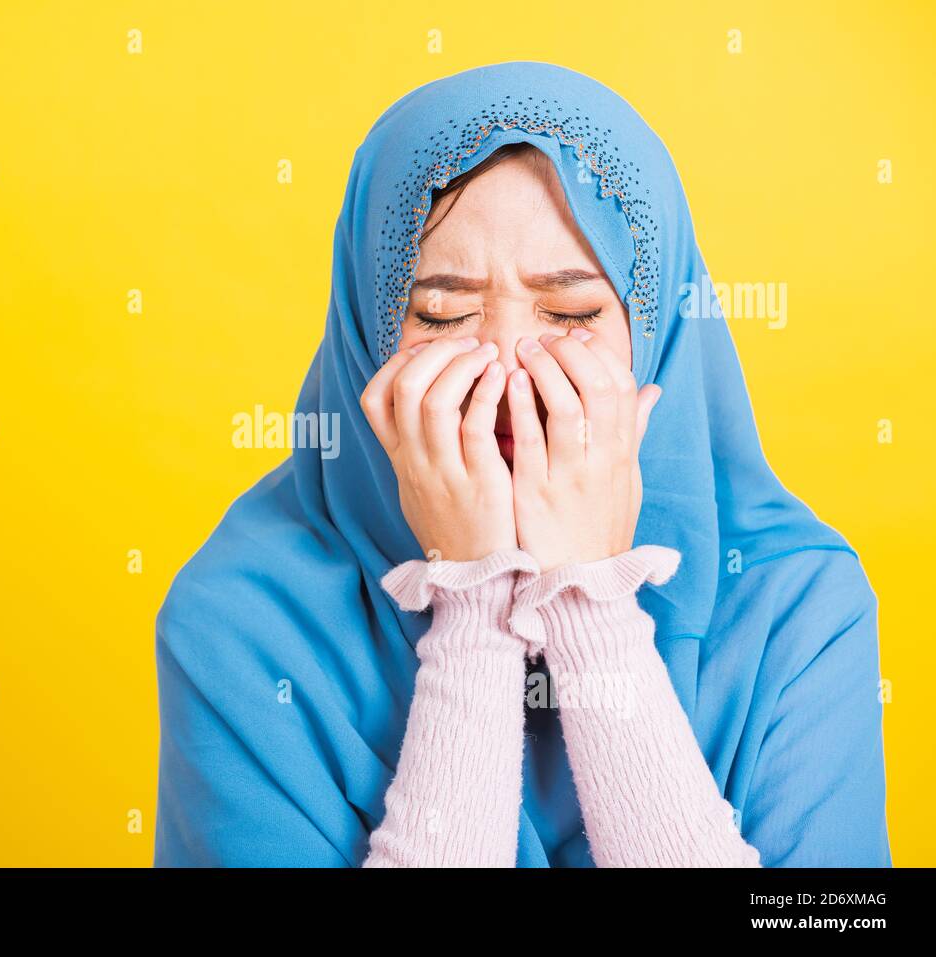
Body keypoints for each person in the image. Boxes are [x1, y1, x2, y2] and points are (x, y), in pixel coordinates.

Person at [153, 61, 891, 867]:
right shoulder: (237, 622)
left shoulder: (803, 605)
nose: (505, 367)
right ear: (368, 330)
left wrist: (590, 604)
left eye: (571, 313)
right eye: (442, 313)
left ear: (654, 340)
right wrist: (470, 603)